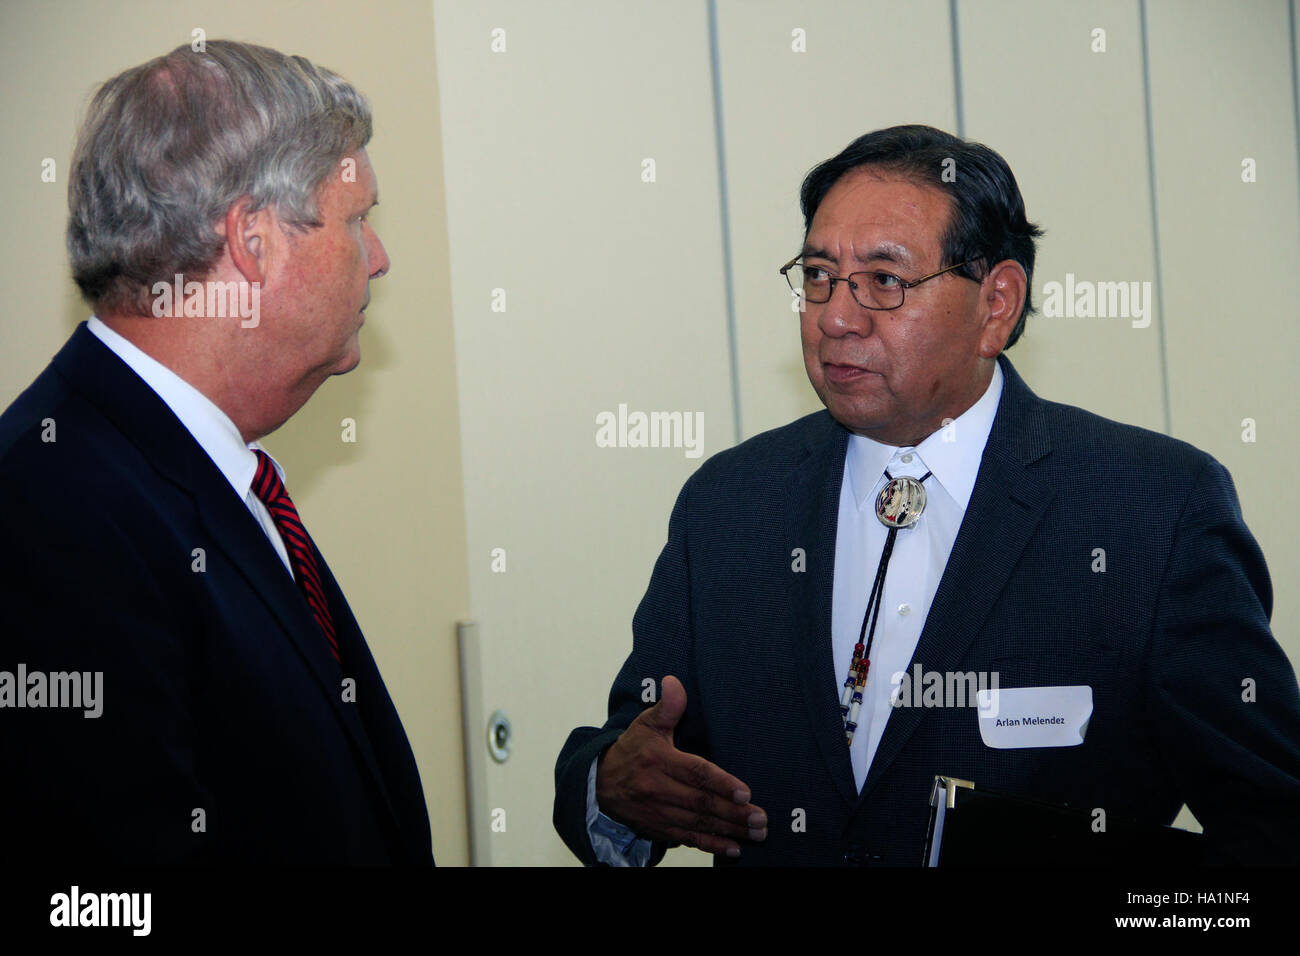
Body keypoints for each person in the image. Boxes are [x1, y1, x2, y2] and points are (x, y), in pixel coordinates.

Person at [554, 125, 1300, 866]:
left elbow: (1272, 820)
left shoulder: (1151, 510)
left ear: (996, 305)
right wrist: (608, 785)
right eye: (818, 275)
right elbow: (637, 747)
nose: (835, 317)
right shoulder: (730, 505)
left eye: (884, 280)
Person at [0, 41, 433, 864]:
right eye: (357, 220)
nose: (378, 259)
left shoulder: (201, 471)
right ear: (253, 241)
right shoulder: (44, 512)